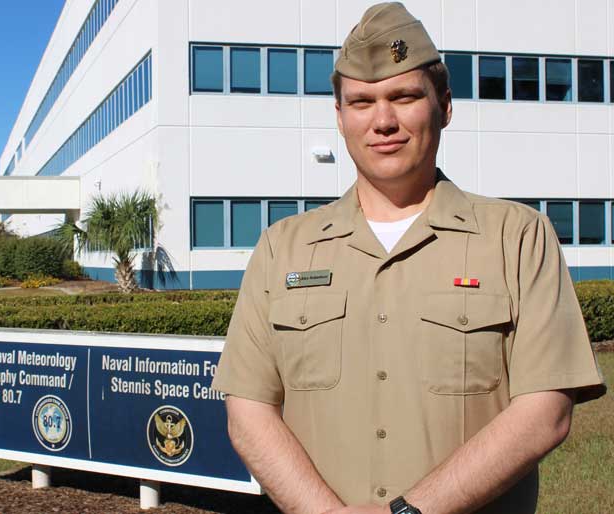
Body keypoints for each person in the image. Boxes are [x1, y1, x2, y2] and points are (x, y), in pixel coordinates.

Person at [211, 3, 607, 514]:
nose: (383, 121)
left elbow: (546, 410)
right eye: (361, 102)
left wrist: (410, 512)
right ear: (339, 116)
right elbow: (248, 410)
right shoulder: (281, 248)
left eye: (404, 97)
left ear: (444, 105)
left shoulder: (517, 238)